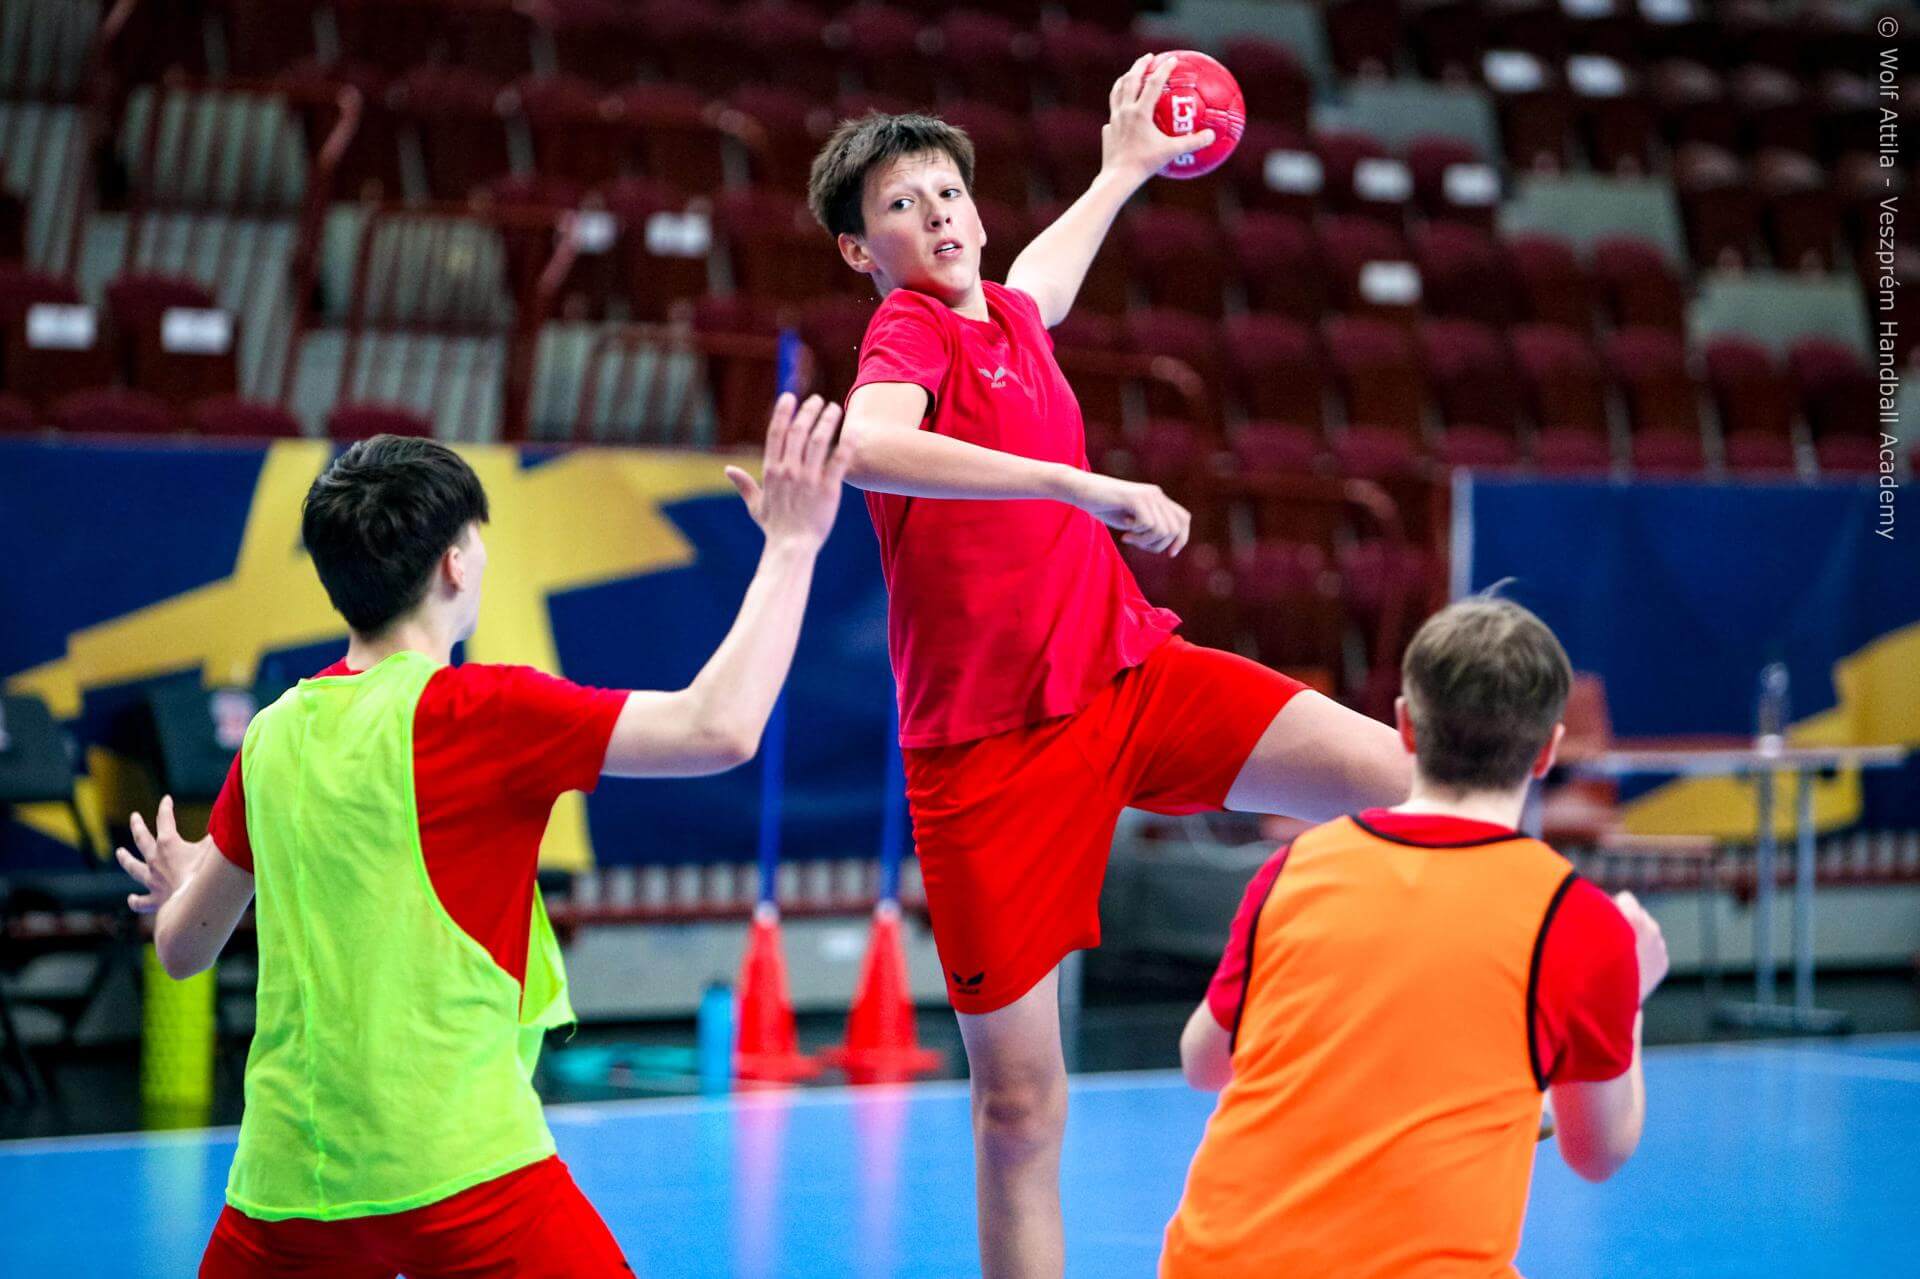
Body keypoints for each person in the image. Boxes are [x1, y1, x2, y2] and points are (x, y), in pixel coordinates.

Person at [806, 54, 1413, 1279]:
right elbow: (871, 446)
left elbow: (1042, 278)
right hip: (984, 759)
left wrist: (1124, 168)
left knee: (1410, 780)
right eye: (899, 208)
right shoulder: (905, 330)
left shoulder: (1012, 316)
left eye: (946, 194)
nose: (933, 217)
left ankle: (1395, 1029)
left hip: (1132, 677)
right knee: (1023, 1109)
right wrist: (1079, 485)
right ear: (861, 253)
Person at [115, 394, 850, 1278]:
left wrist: (185, 878)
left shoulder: (273, 732)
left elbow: (184, 949)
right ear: (457, 564)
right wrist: (794, 546)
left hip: (286, 1190)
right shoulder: (484, 712)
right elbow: (717, 727)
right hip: (464, 1172)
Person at [1162, 597, 1670, 1279]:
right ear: (1549, 749)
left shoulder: (1297, 866)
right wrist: (1629, 1000)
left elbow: (1204, 1063)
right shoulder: (1578, 921)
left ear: (1404, 724)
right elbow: (1597, 1150)